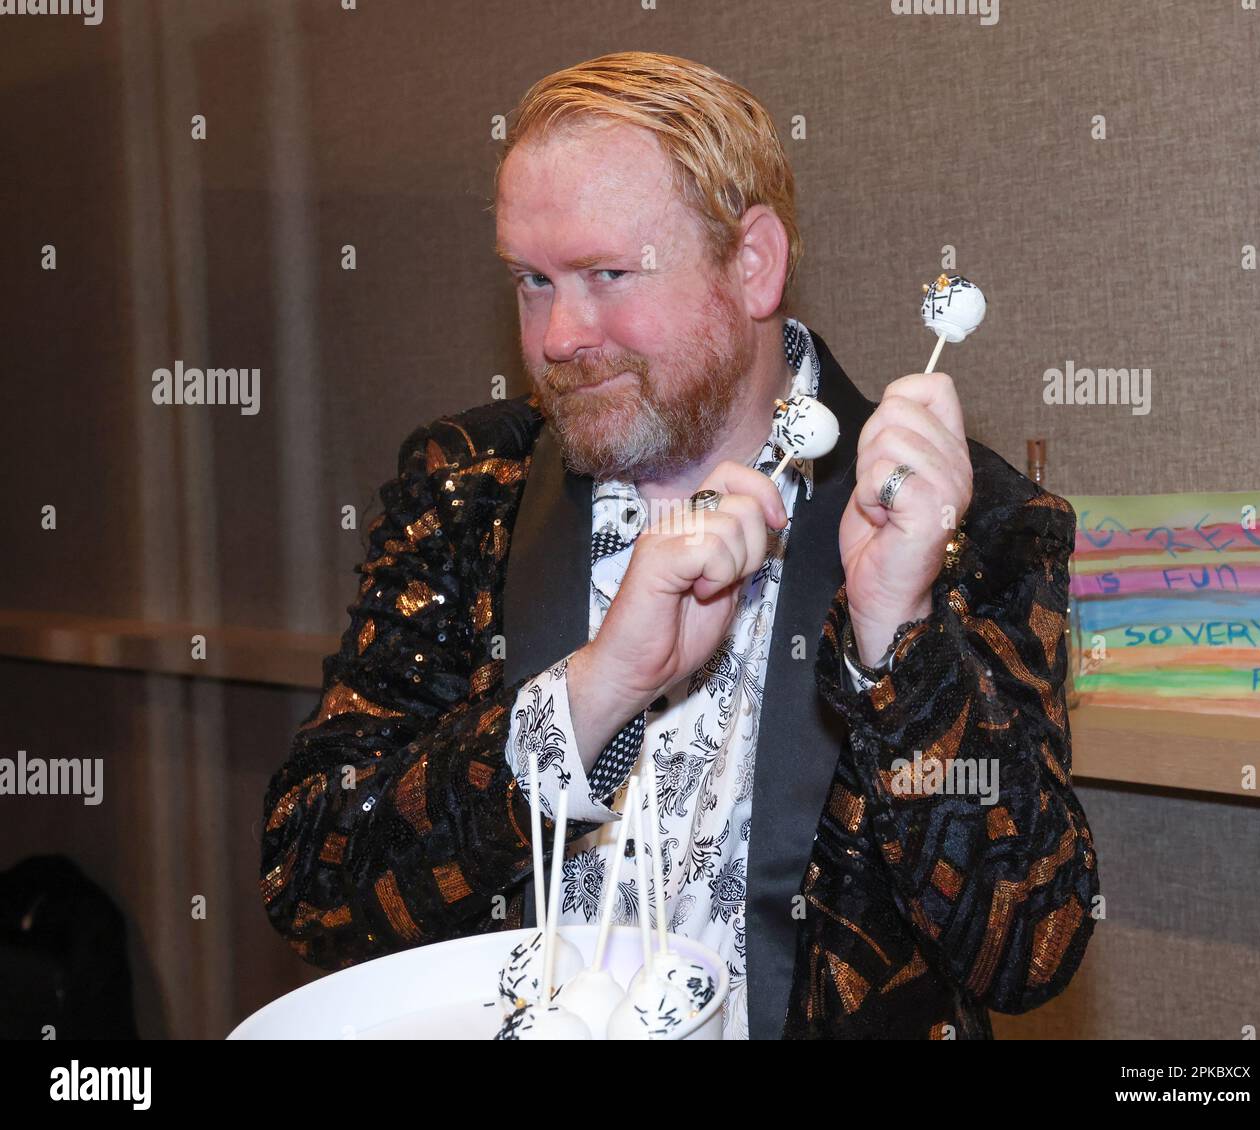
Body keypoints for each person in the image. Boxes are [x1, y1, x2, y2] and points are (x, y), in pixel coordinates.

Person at [261, 51, 1099, 1040]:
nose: (560, 336)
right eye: (532, 280)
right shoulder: (466, 484)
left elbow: (1025, 950)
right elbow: (312, 877)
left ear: (751, 263)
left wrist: (896, 646)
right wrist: (591, 696)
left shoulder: (967, 520)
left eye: (606, 274)